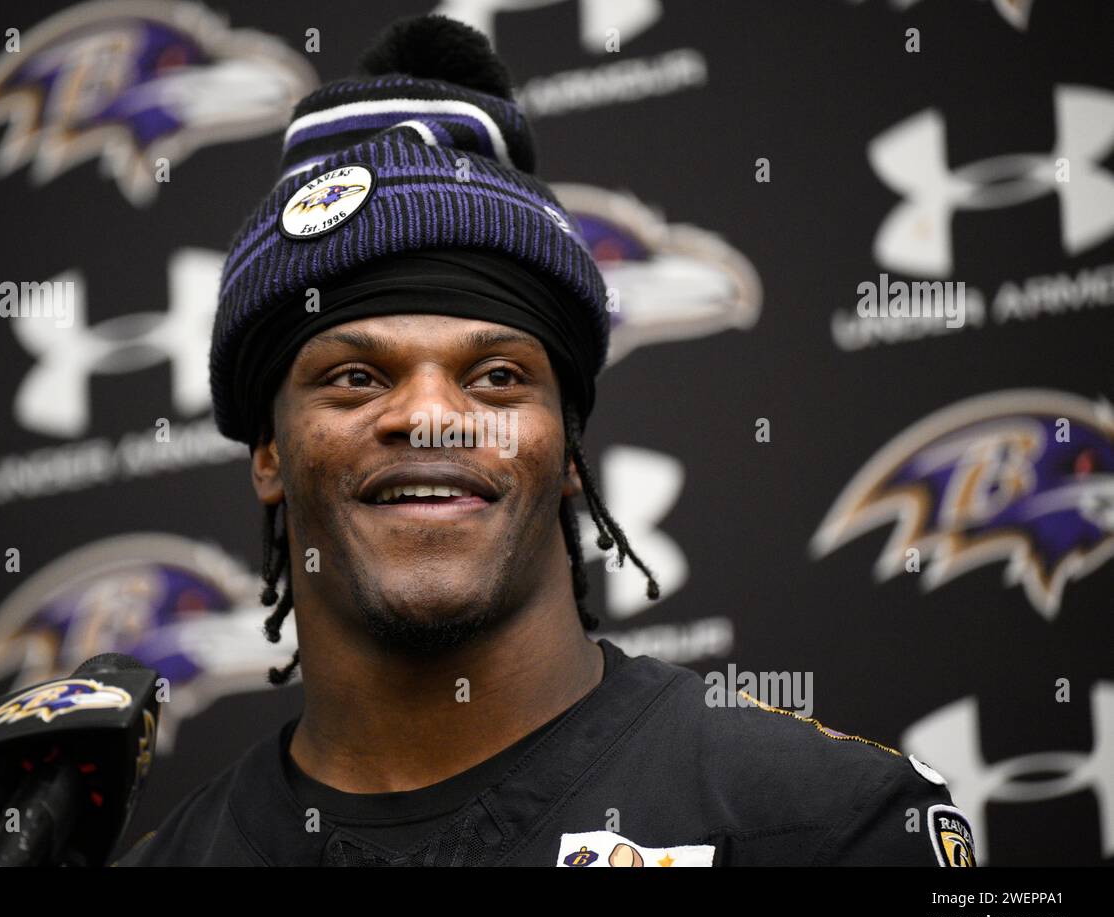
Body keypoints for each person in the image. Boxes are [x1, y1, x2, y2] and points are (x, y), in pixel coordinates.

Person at [113, 13, 975, 867]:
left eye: (495, 376)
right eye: (355, 377)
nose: (432, 415)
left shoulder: (827, 824)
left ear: (566, 446)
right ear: (268, 450)